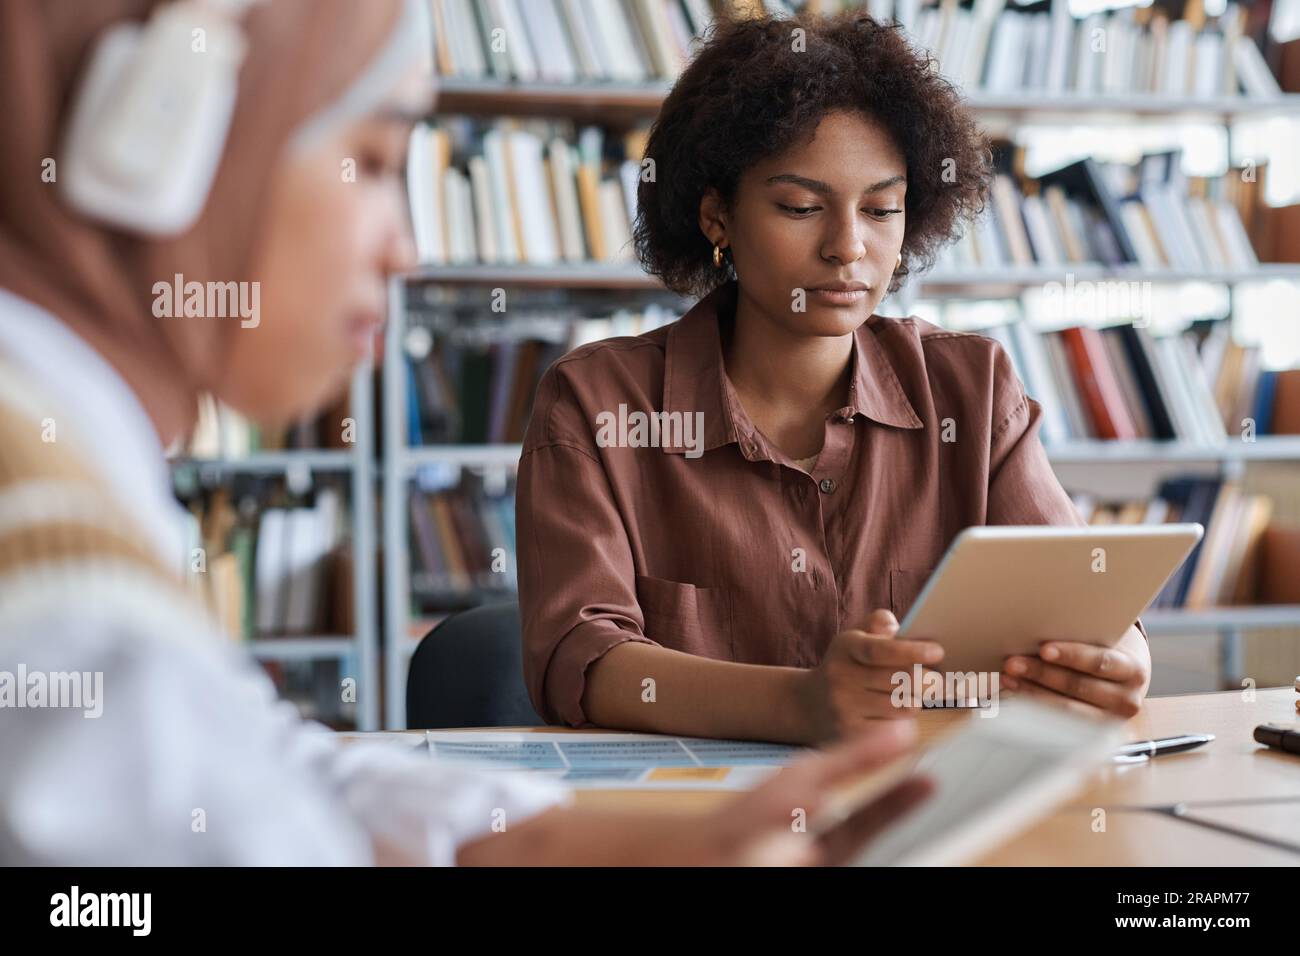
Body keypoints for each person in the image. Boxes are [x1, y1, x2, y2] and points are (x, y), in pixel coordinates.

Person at [0, 0, 928, 866]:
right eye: (369, 162)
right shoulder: (56, 568)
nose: (405, 248)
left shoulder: (68, 461)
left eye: (881, 208)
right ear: (150, 147)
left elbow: (267, 767)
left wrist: (654, 845)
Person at [517, 10, 1151, 744]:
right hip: (698, 833)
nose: (848, 247)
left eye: (882, 209)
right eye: (801, 207)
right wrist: (804, 705)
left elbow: (1085, 607)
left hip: (935, 822)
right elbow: (581, 659)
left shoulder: (972, 389)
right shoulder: (597, 404)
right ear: (717, 214)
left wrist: (1119, 658)